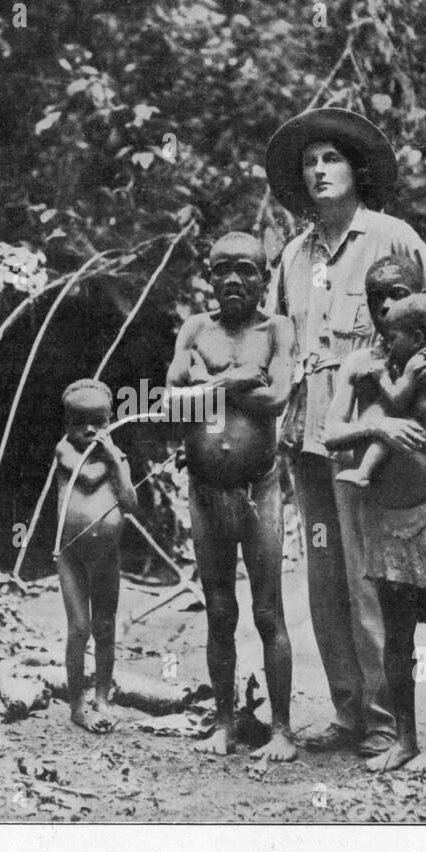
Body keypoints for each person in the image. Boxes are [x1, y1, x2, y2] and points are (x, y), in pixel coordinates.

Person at [265, 108, 426, 757]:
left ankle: (385, 721)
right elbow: (273, 341)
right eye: (309, 163)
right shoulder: (292, 256)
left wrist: (422, 384)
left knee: (370, 578)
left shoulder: (390, 238)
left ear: (355, 170)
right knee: (323, 579)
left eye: (330, 159)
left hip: (374, 435)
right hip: (312, 434)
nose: (319, 171)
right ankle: (346, 712)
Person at [323, 284, 426, 772]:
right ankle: (405, 737)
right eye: (378, 301)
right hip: (387, 517)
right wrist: (380, 427)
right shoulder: (362, 365)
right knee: (397, 633)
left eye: (398, 298)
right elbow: (329, 434)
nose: (386, 309)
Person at [165, 232, 298, 761]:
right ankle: (225, 723)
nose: (235, 280)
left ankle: (283, 730)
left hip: (257, 489)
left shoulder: (277, 329)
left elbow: (278, 397)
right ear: (209, 277)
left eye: (247, 270)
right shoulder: (196, 327)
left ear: (265, 279)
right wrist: (240, 379)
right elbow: (171, 403)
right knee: (220, 610)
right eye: (224, 271)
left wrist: (207, 383)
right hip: (205, 488)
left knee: (268, 612)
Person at [54, 379, 138, 734]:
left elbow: (131, 503)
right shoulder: (65, 451)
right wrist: (111, 456)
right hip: (71, 555)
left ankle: (103, 698)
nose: (89, 430)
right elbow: (87, 476)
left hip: (106, 554)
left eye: (98, 423)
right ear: (66, 424)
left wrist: (119, 461)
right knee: (79, 629)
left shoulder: (115, 457)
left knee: (105, 628)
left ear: (109, 421)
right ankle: (77, 705)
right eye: (78, 423)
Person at [335, 290, 426, 490]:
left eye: (393, 338)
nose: (389, 344)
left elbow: (397, 400)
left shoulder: (416, 363)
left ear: (417, 339)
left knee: (392, 425)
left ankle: (363, 472)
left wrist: (382, 377)